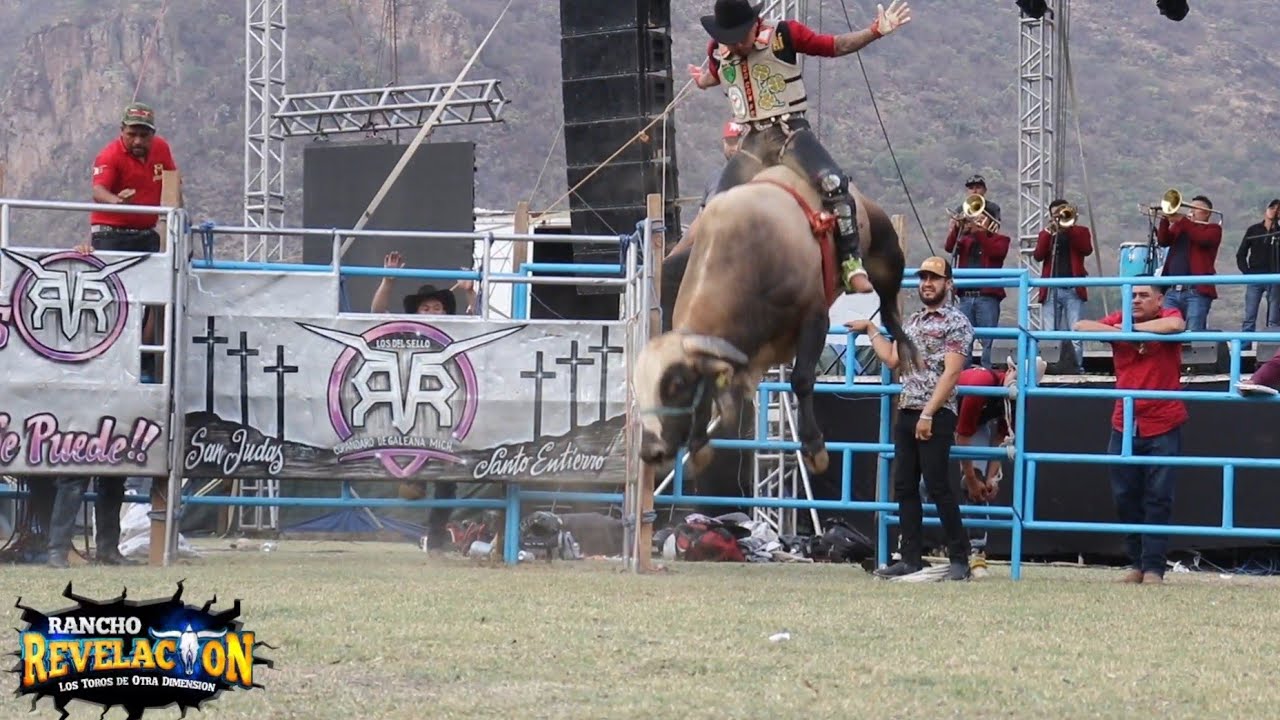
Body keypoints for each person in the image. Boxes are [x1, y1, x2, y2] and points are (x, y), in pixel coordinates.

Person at [691, 0, 913, 295]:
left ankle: (850, 262)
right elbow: (716, 75)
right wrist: (702, 82)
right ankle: (712, 268)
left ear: (752, 26)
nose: (736, 45)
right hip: (754, 139)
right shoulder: (719, 50)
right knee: (718, 203)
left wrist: (874, 31)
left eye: (739, 38)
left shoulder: (784, 34)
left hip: (790, 132)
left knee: (834, 183)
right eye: (728, 38)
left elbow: (834, 45)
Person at [847, 256, 974, 581]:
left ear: (948, 284)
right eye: (923, 278)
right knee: (904, 487)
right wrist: (873, 329)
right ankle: (911, 557)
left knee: (937, 486)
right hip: (907, 410)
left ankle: (960, 558)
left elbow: (952, 372)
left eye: (934, 278)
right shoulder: (914, 322)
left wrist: (929, 413)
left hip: (935, 413)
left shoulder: (956, 322)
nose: (927, 284)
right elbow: (892, 359)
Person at [1074, 284, 1187, 584]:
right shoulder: (1122, 318)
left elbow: (1176, 324)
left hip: (1163, 422)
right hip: (1124, 422)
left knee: (1158, 497)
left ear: (1160, 300)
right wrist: (1125, 330)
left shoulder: (1168, 314)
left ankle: (1153, 568)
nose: (1136, 299)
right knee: (1125, 496)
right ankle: (1136, 563)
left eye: (1143, 295)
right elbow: (1082, 325)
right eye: (1132, 295)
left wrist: (1131, 331)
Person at [370, 251, 476, 551]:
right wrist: (388, 280)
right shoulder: (404, 332)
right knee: (409, 479)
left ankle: (437, 536)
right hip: (411, 412)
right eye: (426, 307)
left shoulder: (457, 332)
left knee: (446, 480)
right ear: (417, 312)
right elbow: (377, 312)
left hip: (447, 413)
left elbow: (479, 323)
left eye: (437, 307)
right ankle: (412, 479)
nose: (431, 312)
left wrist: (471, 295)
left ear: (446, 312)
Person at [953, 357, 1046, 577]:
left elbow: (1001, 438)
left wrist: (990, 479)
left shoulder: (1015, 399)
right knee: (927, 481)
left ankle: (977, 552)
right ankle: (908, 546)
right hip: (942, 415)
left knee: (975, 487)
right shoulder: (980, 382)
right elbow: (962, 435)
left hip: (972, 425)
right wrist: (974, 479)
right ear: (1011, 371)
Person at [945, 175, 1010, 368]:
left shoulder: (999, 239)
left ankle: (987, 373)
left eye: (978, 187)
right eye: (970, 188)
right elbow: (950, 248)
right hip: (965, 295)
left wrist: (980, 231)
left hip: (987, 296)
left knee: (989, 340)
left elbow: (996, 253)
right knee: (964, 340)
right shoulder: (964, 239)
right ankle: (963, 374)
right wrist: (956, 230)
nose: (974, 190)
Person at [1033, 198, 1093, 374]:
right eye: (1055, 215)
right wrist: (1048, 233)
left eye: (1062, 213)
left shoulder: (1080, 231)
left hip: (1073, 288)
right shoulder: (1048, 234)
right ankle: (1048, 368)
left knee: (1076, 332)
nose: (1059, 217)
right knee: (1049, 332)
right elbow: (1038, 255)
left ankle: (1076, 367)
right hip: (1051, 289)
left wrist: (1069, 228)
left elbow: (1086, 249)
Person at [1157, 195, 1221, 332]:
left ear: (1207, 213)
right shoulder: (1180, 227)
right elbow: (1163, 241)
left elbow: (1202, 239)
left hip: (1196, 291)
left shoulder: (1213, 229)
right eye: (1189, 208)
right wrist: (1164, 220)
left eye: (1195, 208)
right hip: (1172, 291)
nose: (1190, 211)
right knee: (1166, 331)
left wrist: (1183, 221)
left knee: (1194, 333)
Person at [1236, 199, 1280, 341]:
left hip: (1275, 276)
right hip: (1255, 276)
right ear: (1265, 210)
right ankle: (1245, 344)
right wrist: (1247, 273)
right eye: (1271, 207)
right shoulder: (1254, 230)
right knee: (1250, 314)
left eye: (1277, 208)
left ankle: (1271, 344)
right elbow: (1241, 254)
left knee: (1274, 316)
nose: (1274, 210)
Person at [699, 121, 746, 211]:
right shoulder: (713, 179)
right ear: (724, 142)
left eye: (739, 142)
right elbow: (701, 216)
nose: (735, 148)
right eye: (731, 142)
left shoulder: (758, 178)